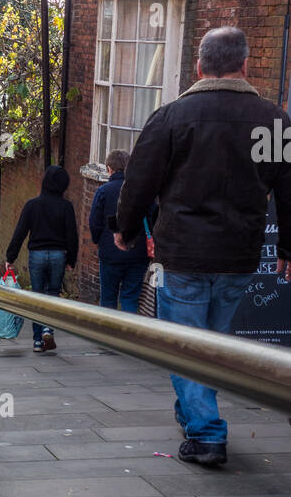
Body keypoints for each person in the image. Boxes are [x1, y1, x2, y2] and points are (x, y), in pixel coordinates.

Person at [115, 25, 291, 467]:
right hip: (240, 255)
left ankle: (208, 434)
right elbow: (289, 190)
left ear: (199, 65)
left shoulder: (172, 117)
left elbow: (140, 180)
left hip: (185, 252)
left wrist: (125, 229)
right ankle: (192, 411)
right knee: (211, 342)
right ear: (244, 65)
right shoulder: (273, 121)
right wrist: (288, 247)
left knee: (186, 344)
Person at [5, 166, 78, 353]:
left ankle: (38, 341)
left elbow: (20, 232)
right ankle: (48, 328)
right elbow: (72, 236)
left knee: (37, 296)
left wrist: (10, 257)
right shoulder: (66, 206)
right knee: (53, 295)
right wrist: (72, 259)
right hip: (57, 255)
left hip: (36, 255)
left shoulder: (32, 205)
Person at [88, 150, 149, 312]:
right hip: (138, 254)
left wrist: (98, 241)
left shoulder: (103, 191)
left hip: (110, 254)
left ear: (109, 168)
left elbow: (94, 223)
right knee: (130, 297)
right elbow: (153, 217)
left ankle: (107, 336)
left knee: (108, 298)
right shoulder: (142, 192)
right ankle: (126, 335)